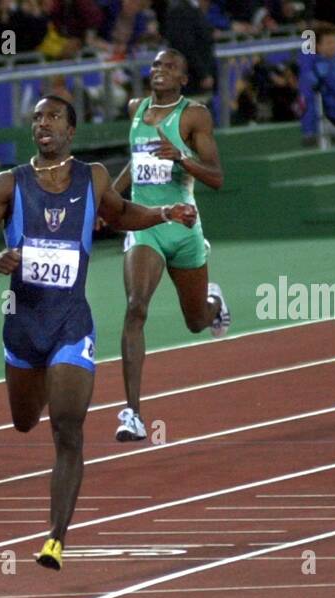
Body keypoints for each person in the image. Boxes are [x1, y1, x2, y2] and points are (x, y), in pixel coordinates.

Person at [0, 95, 199, 570]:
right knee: (25, 420)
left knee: (67, 430)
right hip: (23, 328)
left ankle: (55, 538)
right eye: (36, 118)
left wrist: (164, 214)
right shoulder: (9, 183)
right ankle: (42, 379)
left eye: (52, 117)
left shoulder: (93, 178)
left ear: (71, 131)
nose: (42, 124)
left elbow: (120, 214)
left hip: (71, 323)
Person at [110, 48, 230, 442]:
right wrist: (108, 199)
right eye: (157, 65)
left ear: (183, 79)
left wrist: (181, 157)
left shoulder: (194, 115)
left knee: (196, 321)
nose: (160, 71)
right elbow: (136, 161)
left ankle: (215, 303)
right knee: (135, 306)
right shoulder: (135, 109)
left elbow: (216, 178)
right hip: (146, 224)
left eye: (171, 67)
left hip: (184, 225)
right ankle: (132, 413)